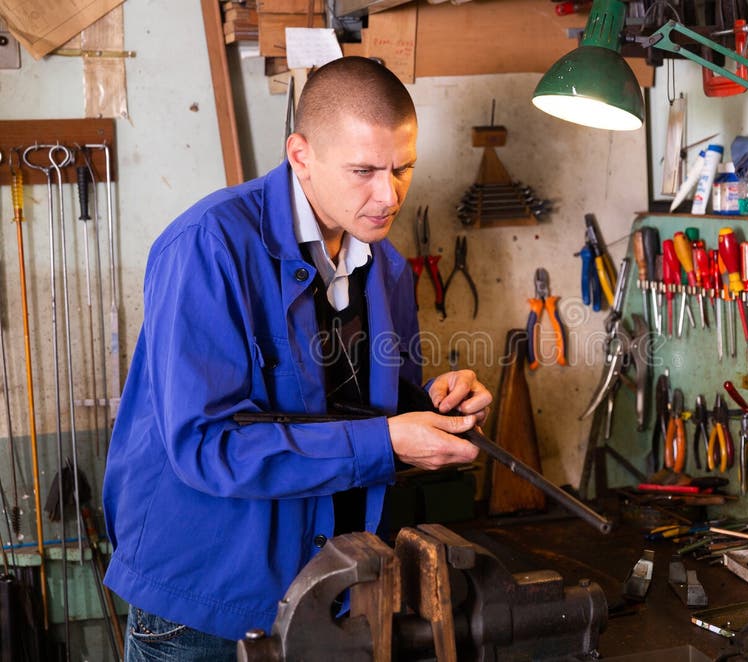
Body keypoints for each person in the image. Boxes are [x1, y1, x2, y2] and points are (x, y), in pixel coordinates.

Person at [102, 57, 492, 661]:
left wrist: (437, 407)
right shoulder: (209, 247)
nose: (388, 196)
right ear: (300, 154)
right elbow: (207, 447)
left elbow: (366, 405)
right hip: (207, 601)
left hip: (331, 589)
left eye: (403, 169)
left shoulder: (384, 265)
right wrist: (388, 443)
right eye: (363, 170)